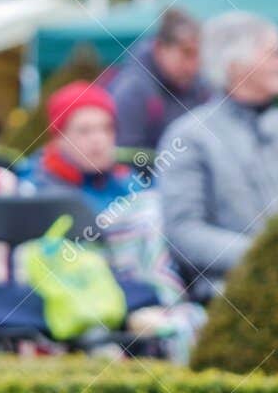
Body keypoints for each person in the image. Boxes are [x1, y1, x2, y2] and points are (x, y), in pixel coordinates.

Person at [20, 80, 206, 361]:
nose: (98, 139)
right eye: (84, 131)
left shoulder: (129, 182)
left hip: (139, 287)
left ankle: (168, 314)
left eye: (106, 128)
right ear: (58, 137)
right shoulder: (35, 185)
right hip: (83, 295)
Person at [160, 11, 278, 291]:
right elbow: (184, 232)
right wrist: (265, 256)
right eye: (274, 54)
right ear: (237, 64)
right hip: (233, 297)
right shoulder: (191, 137)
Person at [107, 7, 209, 151]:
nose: (193, 65)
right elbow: (124, 155)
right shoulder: (132, 90)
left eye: (199, 55)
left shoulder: (201, 88)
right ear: (159, 48)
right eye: (187, 53)